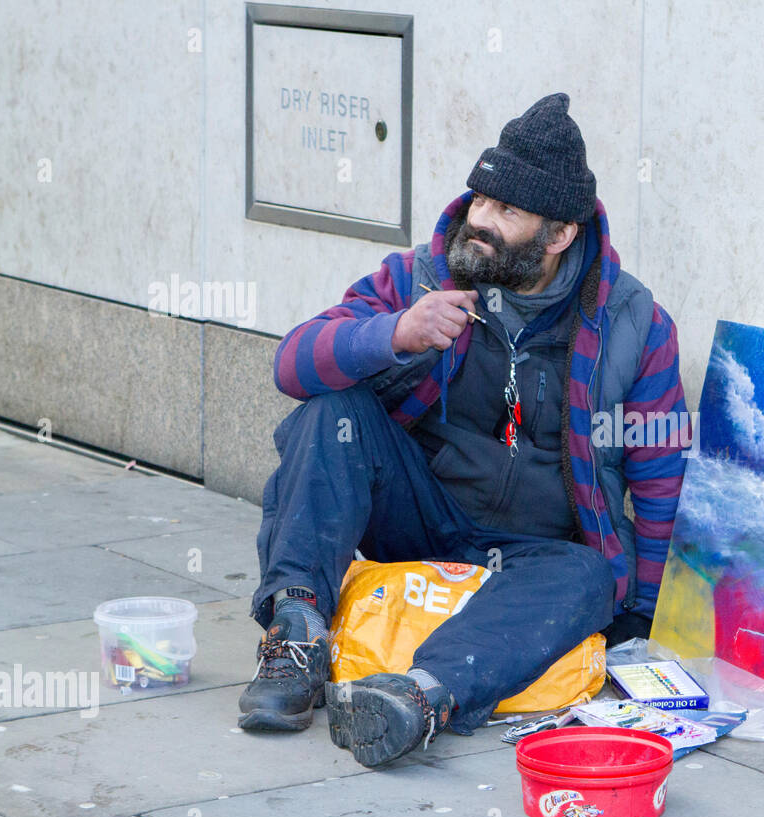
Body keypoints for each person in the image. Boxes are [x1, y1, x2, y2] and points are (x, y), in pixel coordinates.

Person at [236, 93, 689, 769]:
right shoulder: (419, 276)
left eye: (506, 211)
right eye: (480, 200)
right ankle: (296, 635)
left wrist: (645, 622)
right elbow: (292, 363)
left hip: (537, 549)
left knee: (593, 576)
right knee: (329, 414)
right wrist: (393, 333)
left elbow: (659, 475)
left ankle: (418, 697)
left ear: (559, 234)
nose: (479, 221)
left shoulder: (634, 322)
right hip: (420, 515)